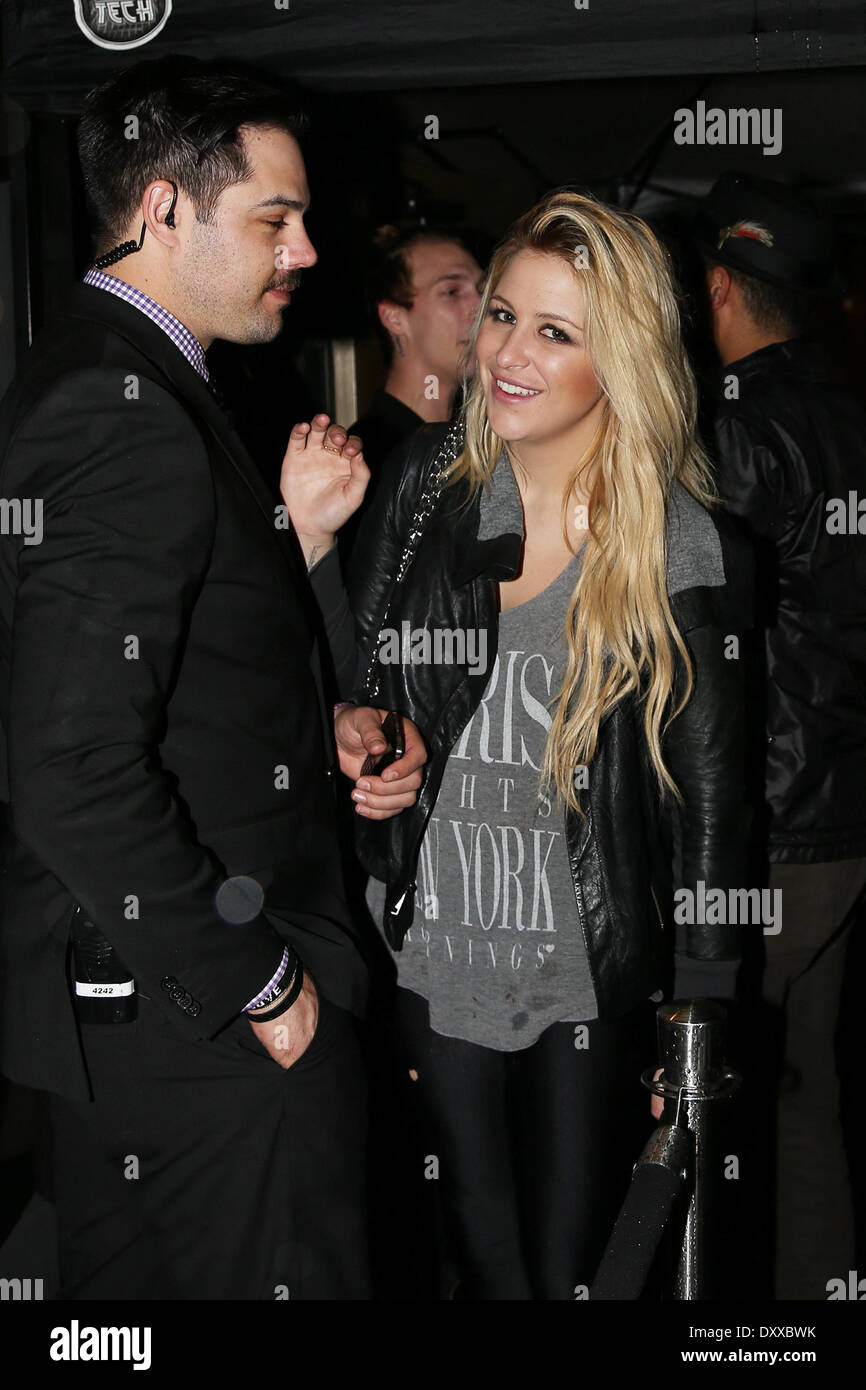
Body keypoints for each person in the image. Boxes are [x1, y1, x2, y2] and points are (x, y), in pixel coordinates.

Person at [0, 56, 426, 1301]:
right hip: (202, 1023)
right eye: (273, 218)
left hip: (159, 1020)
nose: (302, 250)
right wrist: (263, 984)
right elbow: (69, 769)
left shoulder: (115, 373)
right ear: (164, 210)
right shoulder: (121, 406)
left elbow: (157, 660)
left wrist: (320, 702)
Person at [284, 190, 753, 1299]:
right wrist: (363, 737)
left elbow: (713, 799)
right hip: (435, 950)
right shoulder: (422, 492)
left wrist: (695, 1012)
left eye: (555, 331)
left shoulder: (674, 540)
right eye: (500, 315)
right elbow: (351, 687)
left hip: (585, 967)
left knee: (581, 1263)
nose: (506, 352)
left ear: (621, 357)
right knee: (476, 1261)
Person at [695, 170, 866, 1300]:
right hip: (846, 818)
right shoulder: (853, 417)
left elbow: (691, 641)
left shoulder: (739, 439)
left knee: (700, 1101)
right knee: (803, 1098)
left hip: (761, 827)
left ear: (718, 288)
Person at [340, 226, 482, 557]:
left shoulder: (480, 446)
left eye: (482, 288)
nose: (481, 306)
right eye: (451, 291)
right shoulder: (366, 463)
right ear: (394, 318)